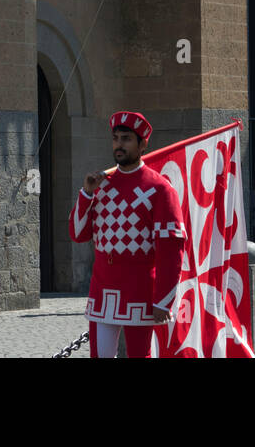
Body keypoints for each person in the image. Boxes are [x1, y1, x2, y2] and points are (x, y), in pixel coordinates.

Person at [69, 111, 186, 358]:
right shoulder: (101, 184)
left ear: (142, 144)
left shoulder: (159, 189)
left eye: (126, 139)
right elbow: (78, 234)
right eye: (116, 138)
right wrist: (87, 194)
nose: (119, 144)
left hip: (140, 290)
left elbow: (171, 250)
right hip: (102, 289)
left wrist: (163, 300)